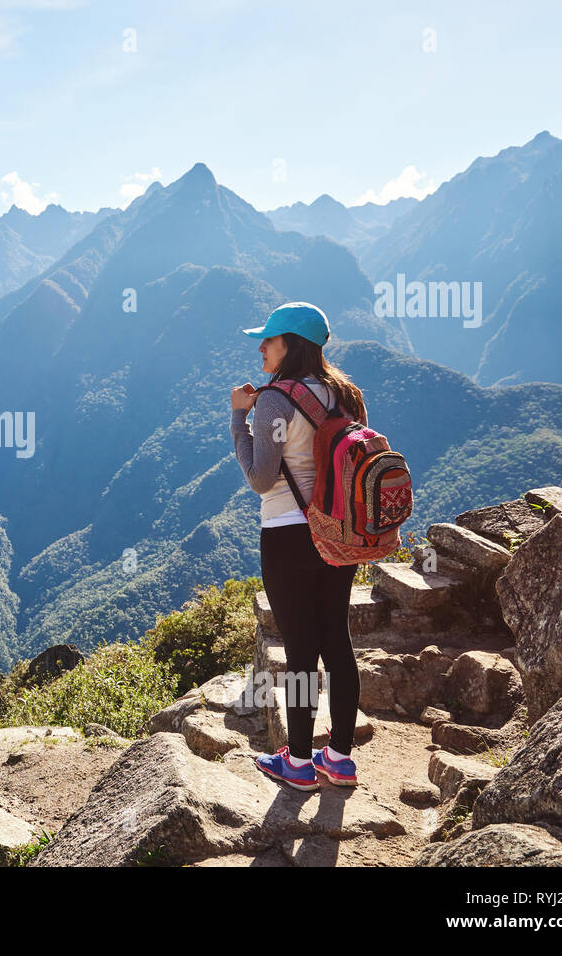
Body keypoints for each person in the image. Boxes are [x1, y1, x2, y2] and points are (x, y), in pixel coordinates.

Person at [229, 302, 368, 792]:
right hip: (338, 533)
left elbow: (262, 479)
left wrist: (238, 422)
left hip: (289, 532)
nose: (261, 347)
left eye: (269, 339)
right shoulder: (345, 394)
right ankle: (341, 759)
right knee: (337, 637)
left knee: (300, 648)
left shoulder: (273, 400)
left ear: (291, 344)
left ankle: (300, 763)